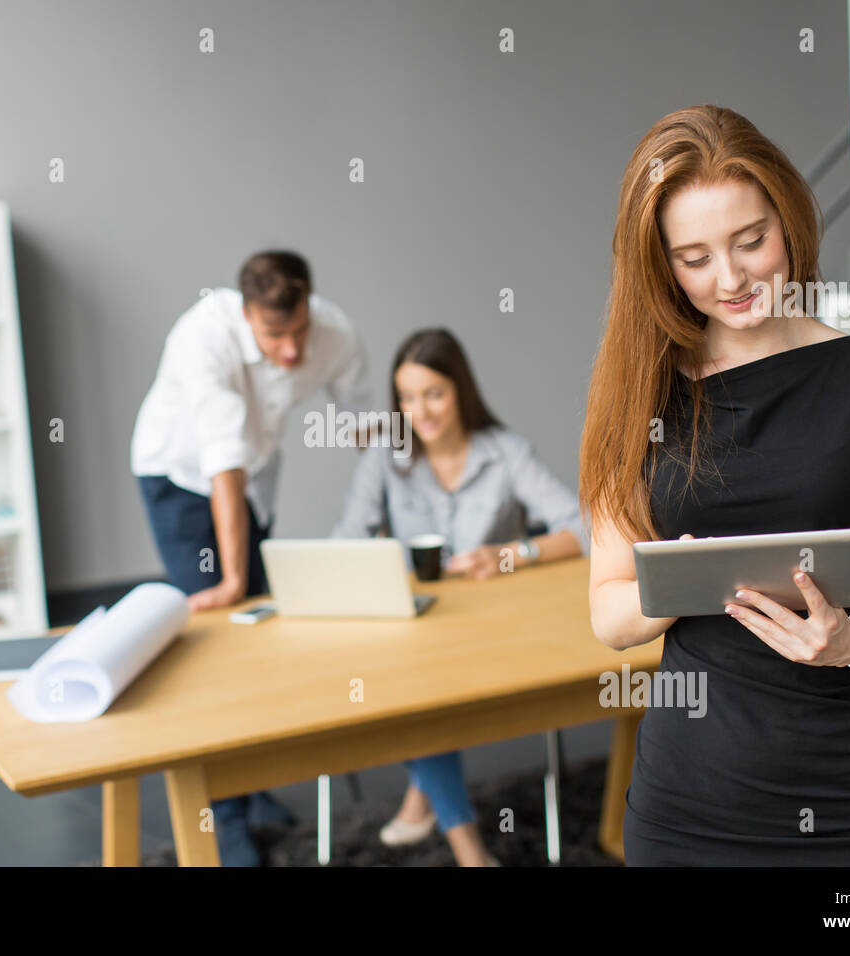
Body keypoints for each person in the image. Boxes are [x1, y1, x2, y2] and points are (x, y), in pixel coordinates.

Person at [580, 105, 850, 865]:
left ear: (788, 219)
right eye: (696, 258)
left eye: (752, 241)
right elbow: (611, 617)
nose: (734, 279)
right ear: (661, 265)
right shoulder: (637, 393)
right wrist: (679, 580)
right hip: (690, 800)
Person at [131, 250, 371, 865]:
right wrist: (233, 577)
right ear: (246, 315)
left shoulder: (333, 330)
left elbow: (363, 424)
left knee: (260, 629)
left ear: (310, 308)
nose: (291, 351)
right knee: (217, 636)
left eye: (299, 333)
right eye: (274, 336)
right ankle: (223, 819)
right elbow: (222, 464)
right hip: (180, 476)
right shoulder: (201, 339)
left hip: (255, 475)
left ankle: (253, 784)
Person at [332, 327, 588, 866]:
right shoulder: (386, 457)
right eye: (406, 397)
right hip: (415, 631)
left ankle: (438, 816)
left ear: (461, 392)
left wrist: (511, 555)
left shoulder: (505, 452)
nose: (419, 411)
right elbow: (347, 539)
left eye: (434, 394)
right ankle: (465, 842)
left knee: (420, 698)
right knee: (413, 685)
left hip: (491, 634)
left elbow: (585, 528)